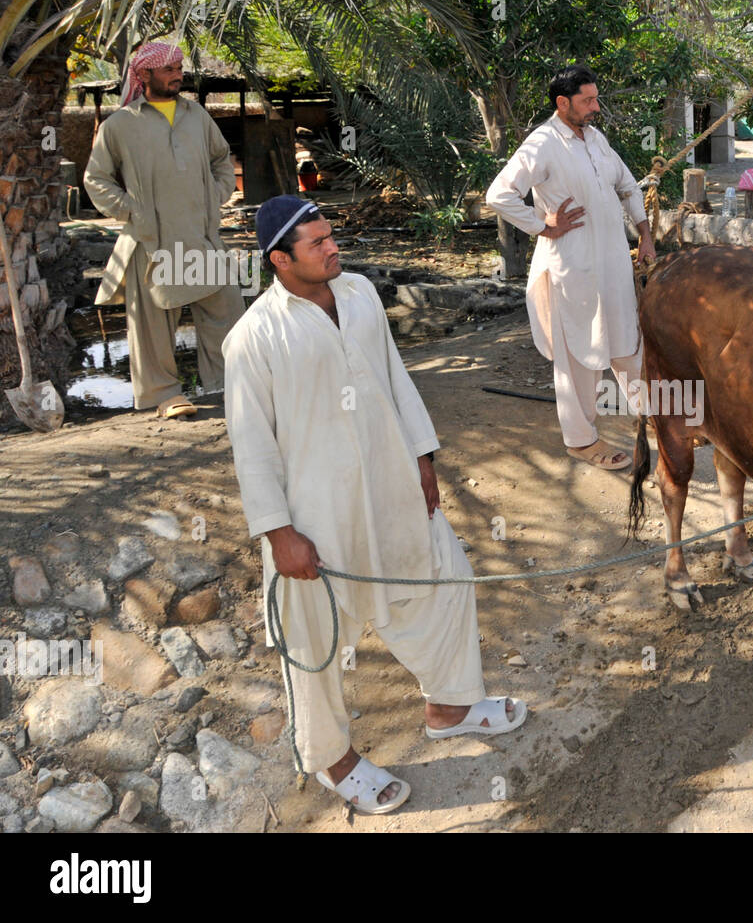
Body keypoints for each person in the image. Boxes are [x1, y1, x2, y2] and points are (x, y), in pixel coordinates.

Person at [222, 196, 526, 815]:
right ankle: (334, 760)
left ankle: (450, 705)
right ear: (280, 260)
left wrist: (421, 458)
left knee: (444, 578)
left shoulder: (358, 293)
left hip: (390, 483)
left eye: (331, 236)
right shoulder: (252, 338)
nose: (333, 247)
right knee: (313, 639)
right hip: (313, 513)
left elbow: (394, 379)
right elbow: (250, 444)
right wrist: (280, 534)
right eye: (317, 243)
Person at [486, 65, 655, 470]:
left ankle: (655, 417)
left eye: (596, 98)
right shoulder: (542, 144)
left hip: (613, 265)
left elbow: (628, 185)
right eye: (587, 100)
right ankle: (581, 440)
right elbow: (499, 194)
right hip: (572, 271)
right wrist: (543, 225)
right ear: (562, 103)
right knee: (578, 357)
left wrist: (645, 235)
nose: (596, 107)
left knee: (628, 344)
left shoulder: (596, 139)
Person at [84, 42, 244, 418]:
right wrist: (131, 211)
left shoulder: (197, 115)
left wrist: (217, 194)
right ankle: (163, 395)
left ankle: (228, 384)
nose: (177, 74)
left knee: (226, 312)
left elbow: (222, 159)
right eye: (168, 68)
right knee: (152, 326)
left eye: (178, 67)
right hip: (151, 241)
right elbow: (96, 179)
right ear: (144, 74)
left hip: (202, 237)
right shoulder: (120, 125)